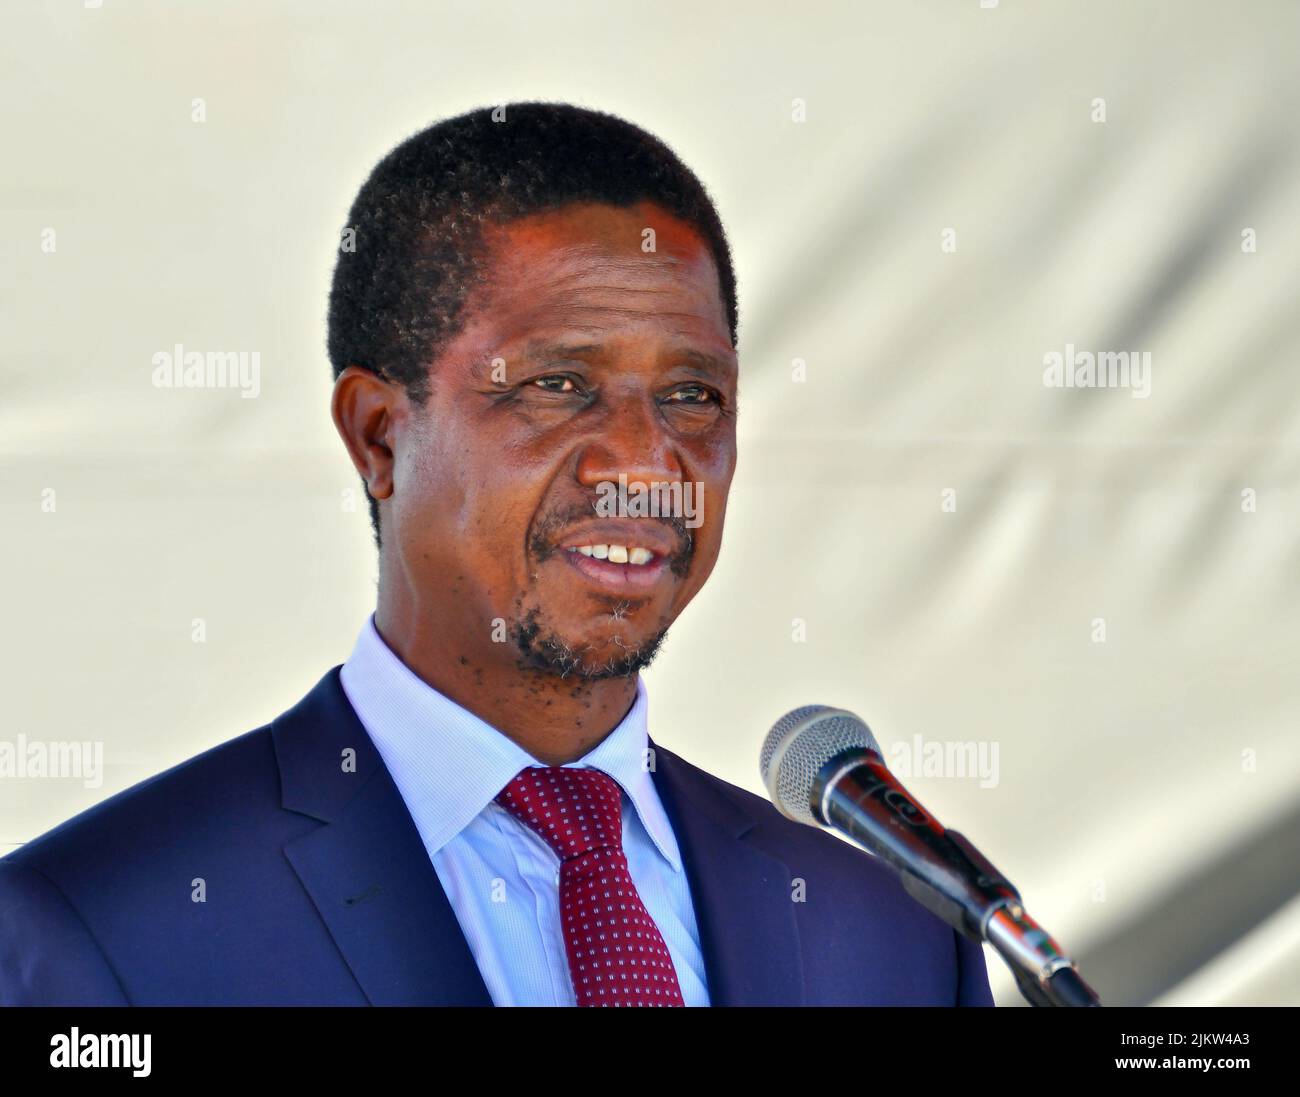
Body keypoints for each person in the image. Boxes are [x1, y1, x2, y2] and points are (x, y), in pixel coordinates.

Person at [0, 102, 993, 1006]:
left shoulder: (892, 934)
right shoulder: (103, 926)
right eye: (559, 384)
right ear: (379, 433)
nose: (647, 461)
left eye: (691, 393)